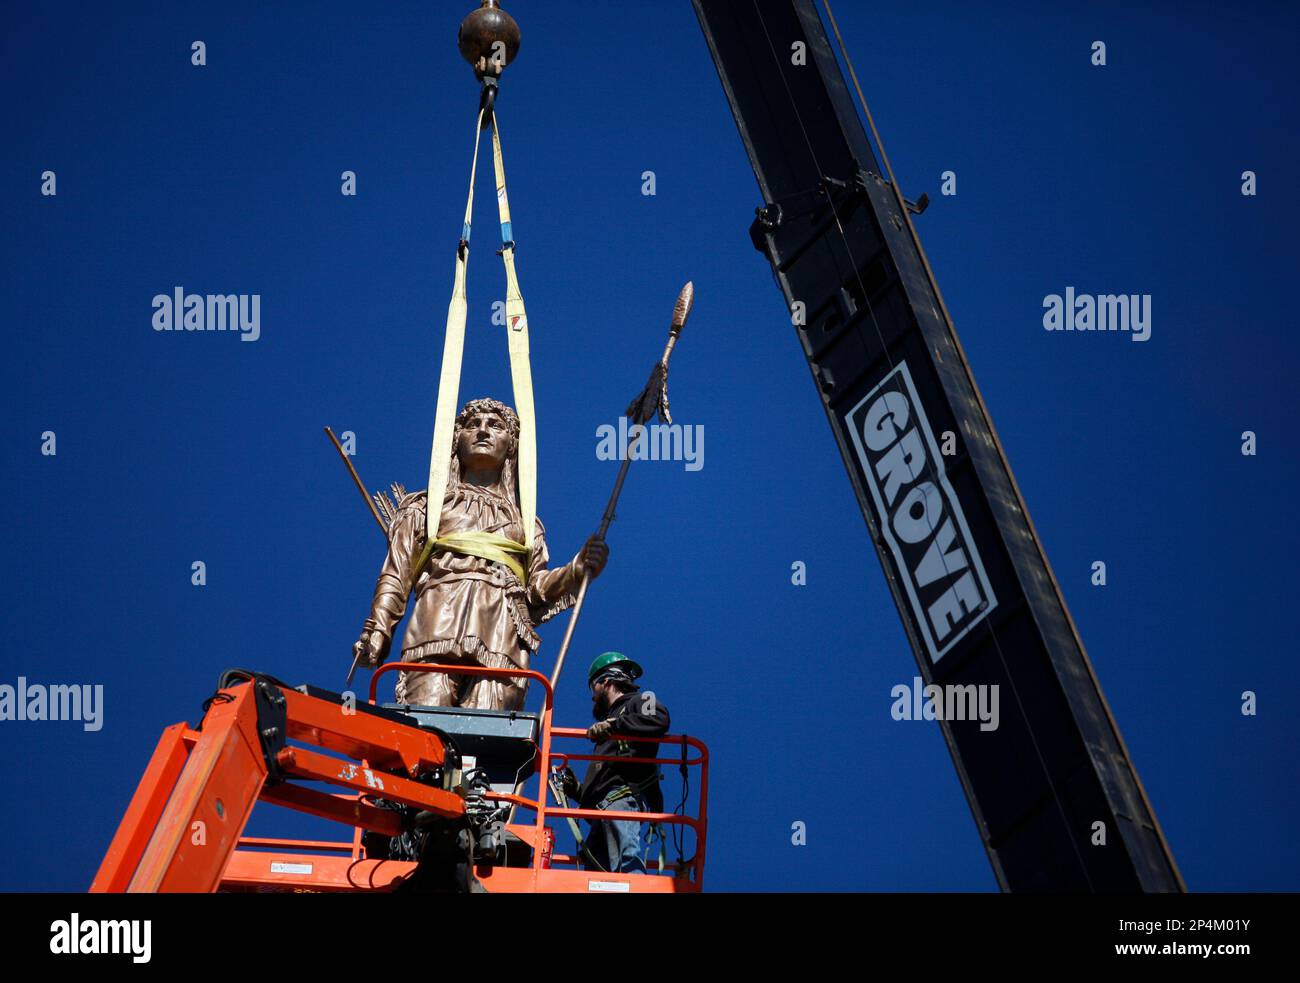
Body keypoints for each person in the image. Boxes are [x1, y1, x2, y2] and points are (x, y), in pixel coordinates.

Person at [353, 397, 608, 710]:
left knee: (488, 735)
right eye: (473, 425)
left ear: (511, 445)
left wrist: (575, 569)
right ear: (457, 439)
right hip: (434, 630)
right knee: (425, 724)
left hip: (503, 638)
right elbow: (396, 573)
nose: (483, 432)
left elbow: (536, 589)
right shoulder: (427, 506)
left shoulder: (526, 523)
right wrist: (378, 629)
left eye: (495, 426)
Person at [558, 652, 670, 874]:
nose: (592, 697)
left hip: (620, 802)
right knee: (594, 877)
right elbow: (609, 780)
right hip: (601, 813)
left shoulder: (642, 699)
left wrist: (615, 725)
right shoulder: (610, 727)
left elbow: (656, 720)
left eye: (593, 688)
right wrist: (578, 791)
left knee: (625, 865)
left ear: (606, 681)